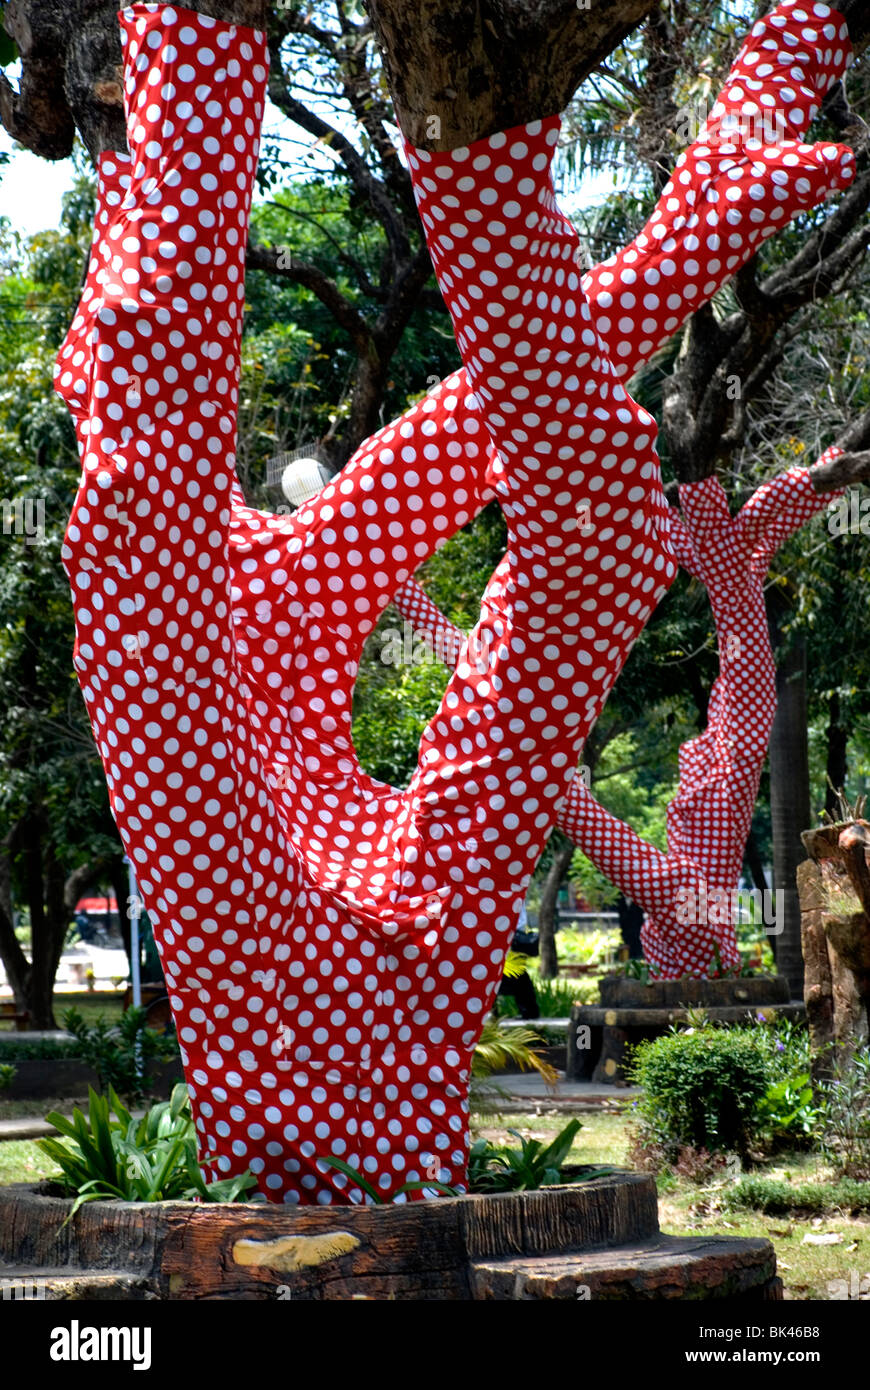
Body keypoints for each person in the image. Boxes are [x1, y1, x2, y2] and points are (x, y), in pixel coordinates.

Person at [55, 1, 854, 1202]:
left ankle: (637, 169)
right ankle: (606, 186)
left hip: (433, 908)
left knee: (538, 499)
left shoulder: (238, 601)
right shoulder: (199, 596)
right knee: (505, 475)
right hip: (333, 841)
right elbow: (486, 425)